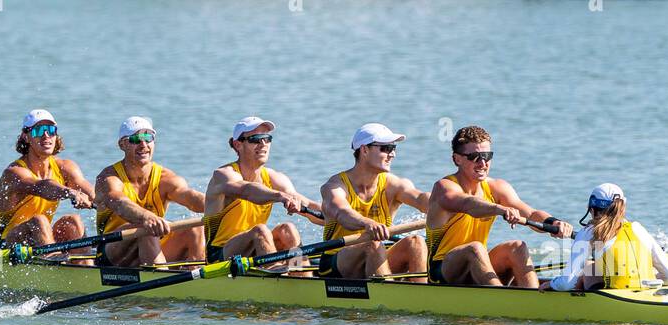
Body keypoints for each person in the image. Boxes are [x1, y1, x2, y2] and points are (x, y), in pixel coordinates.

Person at [424, 125, 571, 286]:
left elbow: (530, 213)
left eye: (487, 156)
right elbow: (468, 204)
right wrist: (499, 209)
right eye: (474, 156)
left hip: (476, 262)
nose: (482, 163)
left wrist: (553, 223)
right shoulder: (444, 187)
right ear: (457, 159)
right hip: (442, 270)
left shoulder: (496, 187)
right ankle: (500, 297)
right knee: (475, 248)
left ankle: (533, 298)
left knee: (517, 247)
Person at [203, 117, 321, 264]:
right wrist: (280, 196)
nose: (263, 144)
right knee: (260, 231)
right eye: (255, 139)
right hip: (220, 254)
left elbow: (309, 205)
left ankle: (302, 277)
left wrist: (342, 217)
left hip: (253, 249)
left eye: (267, 138)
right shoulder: (223, 175)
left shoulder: (274, 177)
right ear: (238, 144)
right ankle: (275, 278)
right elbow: (246, 190)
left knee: (287, 229)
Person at [318, 123, 429, 280]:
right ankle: (388, 295)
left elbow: (421, 199)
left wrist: (447, 202)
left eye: (393, 148)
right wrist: (367, 223)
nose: (392, 155)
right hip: (336, 262)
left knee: (415, 242)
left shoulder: (393, 185)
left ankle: (421, 297)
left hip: (377, 253)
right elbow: (343, 213)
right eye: (386, 148)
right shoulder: (335, 186)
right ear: (364, 150)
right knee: (373, 244)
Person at [92, 116, 205, 266]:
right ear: (122, 145)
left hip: (151, 245)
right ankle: (159, 276)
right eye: (135, 139)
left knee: (196, 228)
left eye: (148, 137)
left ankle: (195, 276)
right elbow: (119, 202)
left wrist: (222, 203)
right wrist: (147, 217)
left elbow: (192, 199)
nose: (143, 144)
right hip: (112, 251)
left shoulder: (166, 179)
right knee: (146, 227)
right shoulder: (108, 178)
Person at [0, 109, 95, 248]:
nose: (46, 136)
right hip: (9, 243)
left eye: (51, 130)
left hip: (40, 238)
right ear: (26, 137)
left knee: (73, 221)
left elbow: (95, 195)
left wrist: (107, 203)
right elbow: (42, 187)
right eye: (38, 131)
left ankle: (85, 266)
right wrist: (70, 193)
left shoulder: (65, 167)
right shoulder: (14, 173)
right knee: (39, 220)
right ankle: (52, 260)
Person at [550, 184, 668, 291]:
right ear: (622, 207)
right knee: (594, 266)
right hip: (647, 291)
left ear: (591, 209)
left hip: (614, 299)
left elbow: (566, 284)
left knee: (589, 267)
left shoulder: (588, 232)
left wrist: (551, 284)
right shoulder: (639, 229)